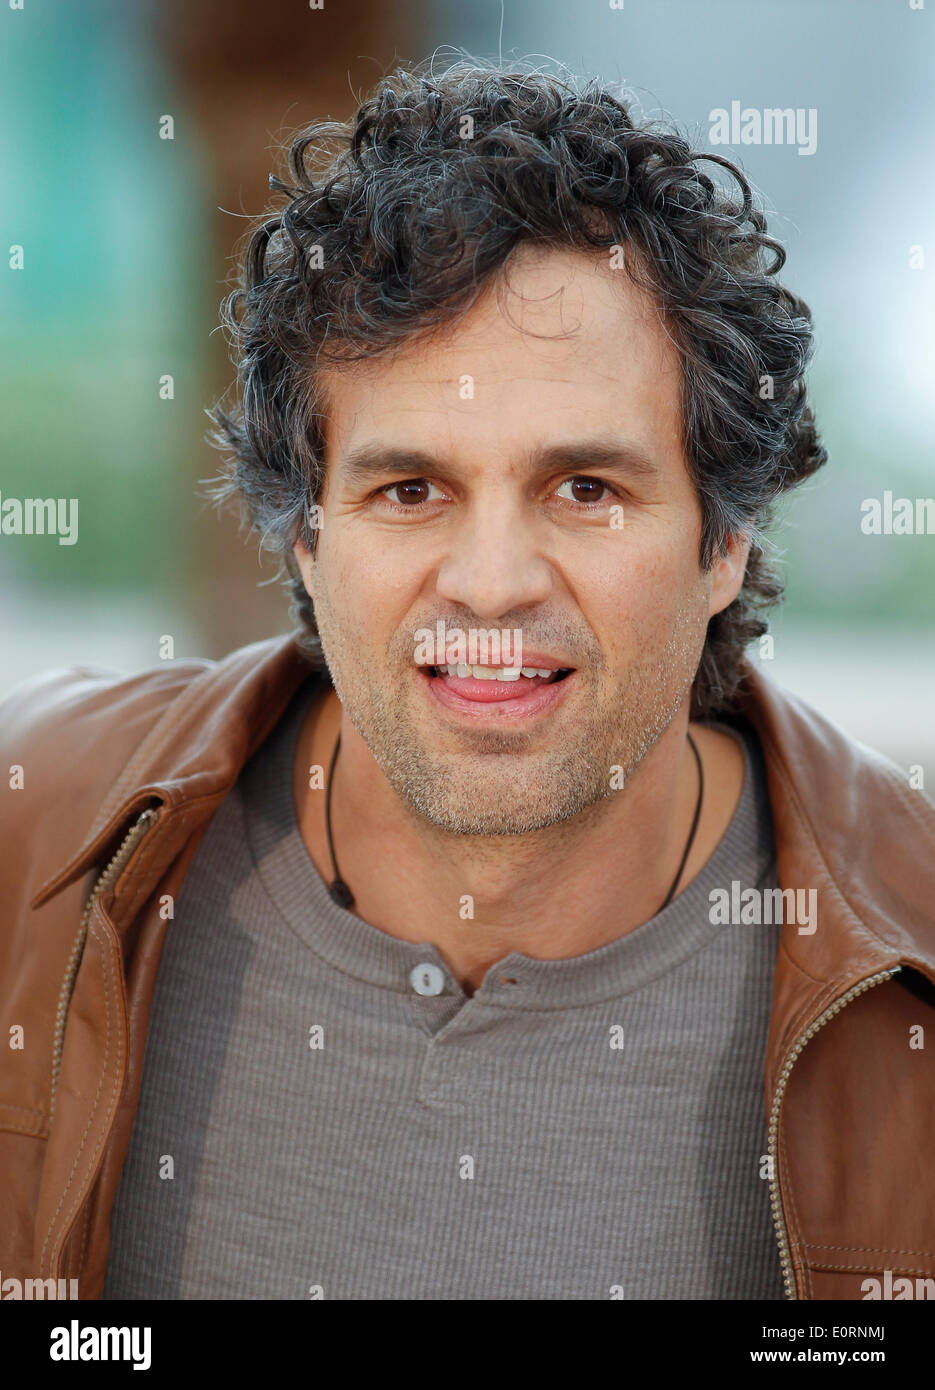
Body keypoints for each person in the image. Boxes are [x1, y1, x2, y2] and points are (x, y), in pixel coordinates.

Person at [2, 59, 934, 1302]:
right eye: (409, 490)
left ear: (725, 543)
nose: (490, 584)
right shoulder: (33, 844)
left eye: (584, 489)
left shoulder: (907, 949)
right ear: (306, 536)